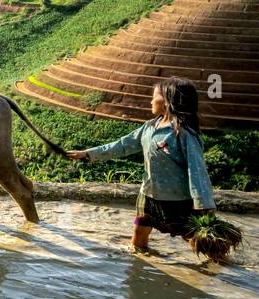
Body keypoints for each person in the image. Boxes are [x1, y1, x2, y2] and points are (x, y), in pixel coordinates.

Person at [68, 77, 215, 254]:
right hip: (148, 195)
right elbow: (122, 146)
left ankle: (219, 267)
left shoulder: (183, 134)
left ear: (168, 102)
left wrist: (203, 204)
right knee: (138, 237)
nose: (151, 100)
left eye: (155, 97)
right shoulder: (149, 127)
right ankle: (139, 264)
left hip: (176, 200)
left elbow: (197, 170)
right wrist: (88, 154)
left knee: (197, 240)